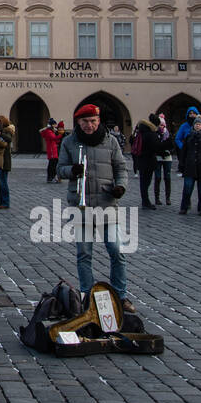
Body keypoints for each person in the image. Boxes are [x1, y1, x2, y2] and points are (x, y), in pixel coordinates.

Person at [57, 103, 134, 311]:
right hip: (81, 206)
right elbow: (60, 169)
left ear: (98, 121)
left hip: (107, 204)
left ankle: (121, 296)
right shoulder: (69, 142)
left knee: (117, 251)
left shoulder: (111, 142)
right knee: (84, 254)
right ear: (78, 123)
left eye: (93, 121)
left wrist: (120, 186)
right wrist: (71, 170)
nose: (89, 125)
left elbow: (121, 168)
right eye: (85, 122)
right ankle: (87, 295)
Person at [130, 114, 161, 210]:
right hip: (149, 160)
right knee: (146, 181)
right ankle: (145, 201)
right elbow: (156, 147)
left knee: (143, 181)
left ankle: (145, 200)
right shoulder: (151, 133)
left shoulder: (140, 131)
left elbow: (131, 141)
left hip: (140, 159)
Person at [149, 112, 174, 207]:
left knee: (167, 178)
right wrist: (160, 152)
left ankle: (168, 198)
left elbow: (173, 145)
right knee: (158, 177)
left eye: (163, 125)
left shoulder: (168, 134)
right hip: (158, 158)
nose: (162, 126)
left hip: (167, 158)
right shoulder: (155, 134)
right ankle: (157, 198)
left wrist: (169, 151)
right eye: (160, 125)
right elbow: (154, 146)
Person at [0, 114, 15, 208]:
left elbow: (9, 139)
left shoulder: (7, 131)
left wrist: (0, 134)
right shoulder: (1, 131)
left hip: (5, 161)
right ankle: (0, 201)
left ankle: (5, 202)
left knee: (3, 182)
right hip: (0, 161)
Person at [174, 107, 201, 174]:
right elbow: (177, 139)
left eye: (194, 113)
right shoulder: (184, 126)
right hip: (189, 153)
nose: (192, 115)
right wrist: (183, 148)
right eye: (190, 113)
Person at [40, 119, 60, 183]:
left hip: (53, 150)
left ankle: (52, 177)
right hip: (52, 150)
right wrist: (59, 135)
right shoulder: (49, 131)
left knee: (54, 164)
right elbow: (54, 138)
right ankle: (51, 177)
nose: (55, 126)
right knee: (52, 165)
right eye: (54, 124)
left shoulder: (51, 131)